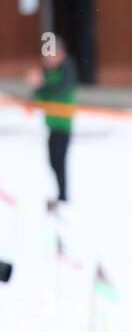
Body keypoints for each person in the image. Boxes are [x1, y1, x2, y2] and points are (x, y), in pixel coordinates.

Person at [27, 36, 77, 210]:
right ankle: (60, 197)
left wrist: (41, 85)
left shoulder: (67, 70)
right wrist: (36, 88)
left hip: (63, 126)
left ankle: (63, 198)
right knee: (53, 161)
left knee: (59, 161)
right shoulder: (49, 74)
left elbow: (58, 89)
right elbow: (39, 96)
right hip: (52, 126)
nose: (47, 59)